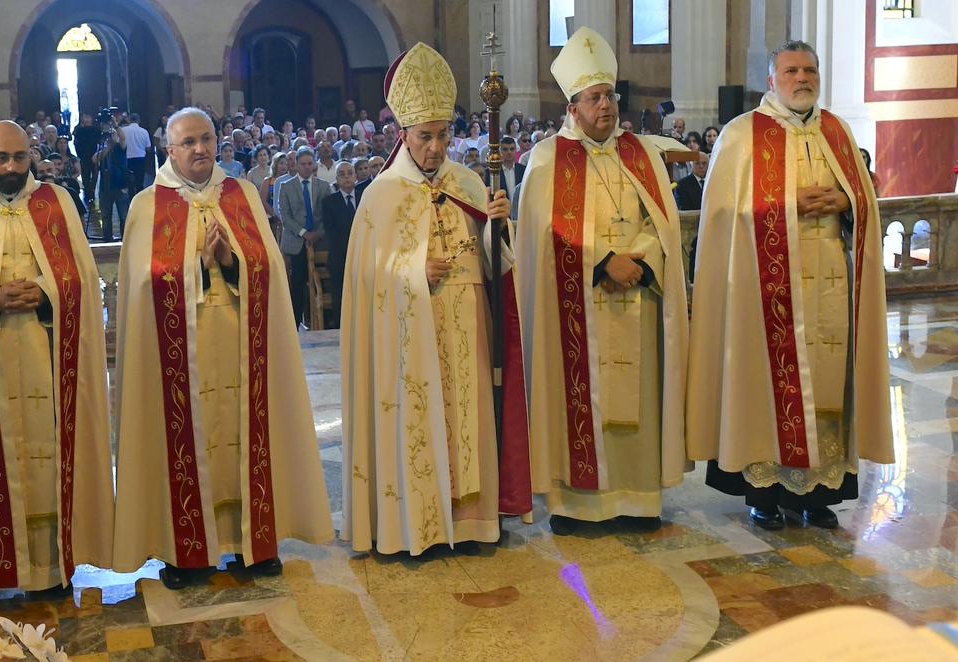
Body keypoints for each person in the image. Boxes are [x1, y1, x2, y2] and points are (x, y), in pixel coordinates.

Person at [112, 108, 333, 589]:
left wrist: (231, 263)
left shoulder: (241, 194)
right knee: (187, 442)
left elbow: (268, 269)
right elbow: (141, 286)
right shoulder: (148, 206)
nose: (200, 149)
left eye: (207, 139)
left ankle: (253, 545)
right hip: (178, 357)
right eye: (189, 142)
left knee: (244, 438)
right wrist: (195, 266)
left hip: (239, 343)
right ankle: (187, 553)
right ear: (169, 150)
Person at [687, 41, 892, 530]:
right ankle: (765, 492)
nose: (802, 79)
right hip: (765, 294)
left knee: (828, 388)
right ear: (771, 81)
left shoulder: (836, 131)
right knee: (765, 386)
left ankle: (818, 493)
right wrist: (785, 203)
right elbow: (722, 215)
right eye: (792, 71)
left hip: (830, 290)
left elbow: (865, 199)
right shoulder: (742, 134)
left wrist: (846, 202)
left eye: (810, 70)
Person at [341, 43, 532, 556]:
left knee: (470, 419)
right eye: (425, 136)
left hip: (469, 327)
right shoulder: (380, 196)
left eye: (443, 135)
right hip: (411, 342)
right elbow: (365, 279)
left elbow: (496, 266)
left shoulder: (468, 182)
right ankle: (417, 526)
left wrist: (496, 227)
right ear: (402, 134)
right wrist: (412, 272)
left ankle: (471, 522)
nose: (436, 147)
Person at [515, 29, 689, 536]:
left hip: (638, 298)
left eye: (610, 96)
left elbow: (663, 223)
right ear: (573, 108)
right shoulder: (547, 159)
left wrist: (640, 261)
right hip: (579, 307)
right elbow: (542, 235)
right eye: (594, 98)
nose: (606, 106)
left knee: (640, 400)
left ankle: (638, 499)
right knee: (576, 397)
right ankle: (576, 504)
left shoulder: (641, 152)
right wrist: (602, 262)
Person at [0, 121, 114, 604]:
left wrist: (45, 292)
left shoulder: (56, 203)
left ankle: (51, 568)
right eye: (1, 158)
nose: (12, 167)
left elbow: (83, 280)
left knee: (47, 459)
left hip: (46, 356)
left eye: (20, 157)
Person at [278, 147, 331, 328]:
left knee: (322, 280)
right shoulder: (286, 186)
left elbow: (328, 215)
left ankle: (322, 321)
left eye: (310, 163)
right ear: (296, 164)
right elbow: (285, 217)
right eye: (303, 164)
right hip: (296, 241)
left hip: (319, 240)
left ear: (314, 164)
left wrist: (317, 233)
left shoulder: (324, 186)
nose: (307, 167)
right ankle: (295, 324)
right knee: (298, 282)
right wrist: (304, 233)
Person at [319, 161, 358, 327]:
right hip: (339, 256)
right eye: (342, 174)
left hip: (363, 255)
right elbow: (331, 233)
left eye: (350, 173)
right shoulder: (329, 202)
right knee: (340, 294)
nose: (346, 177)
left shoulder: (365, 197)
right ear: (336, 179)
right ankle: (341, 326)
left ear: (355, 176)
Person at [94, 125, 130, 241]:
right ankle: (108, 238)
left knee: (124, 216)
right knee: (105, 216)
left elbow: (123, 137)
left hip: (120, 186)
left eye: (113, 135)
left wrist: (116, 125)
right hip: (105, 187)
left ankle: (125, 239)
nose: (111, 137)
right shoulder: (102, 149)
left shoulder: (121, 147)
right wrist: (107, 148)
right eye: (109, 135)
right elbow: (94, 160)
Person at [72, 112, 102, 213]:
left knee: (95, 175)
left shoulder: (96, 130)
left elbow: (99, 143)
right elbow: (76, 143)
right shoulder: (79, 130)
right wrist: (79, 155)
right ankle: (88, 193)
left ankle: (92, 191)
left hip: (94, 156)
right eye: (84, 117)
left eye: (88, 117)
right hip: (83, 156)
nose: (86, 119)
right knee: (85, 176)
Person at [120, 113, 152, 194]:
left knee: (129, 180)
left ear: (129, 120)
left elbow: (119, 144)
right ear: (139, 121)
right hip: (140, 158)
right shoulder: (144, 131)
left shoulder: (123, 130)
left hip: (127, 158)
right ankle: (139, 195)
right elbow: (148, 147)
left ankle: (131, 196)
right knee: (139, 180)